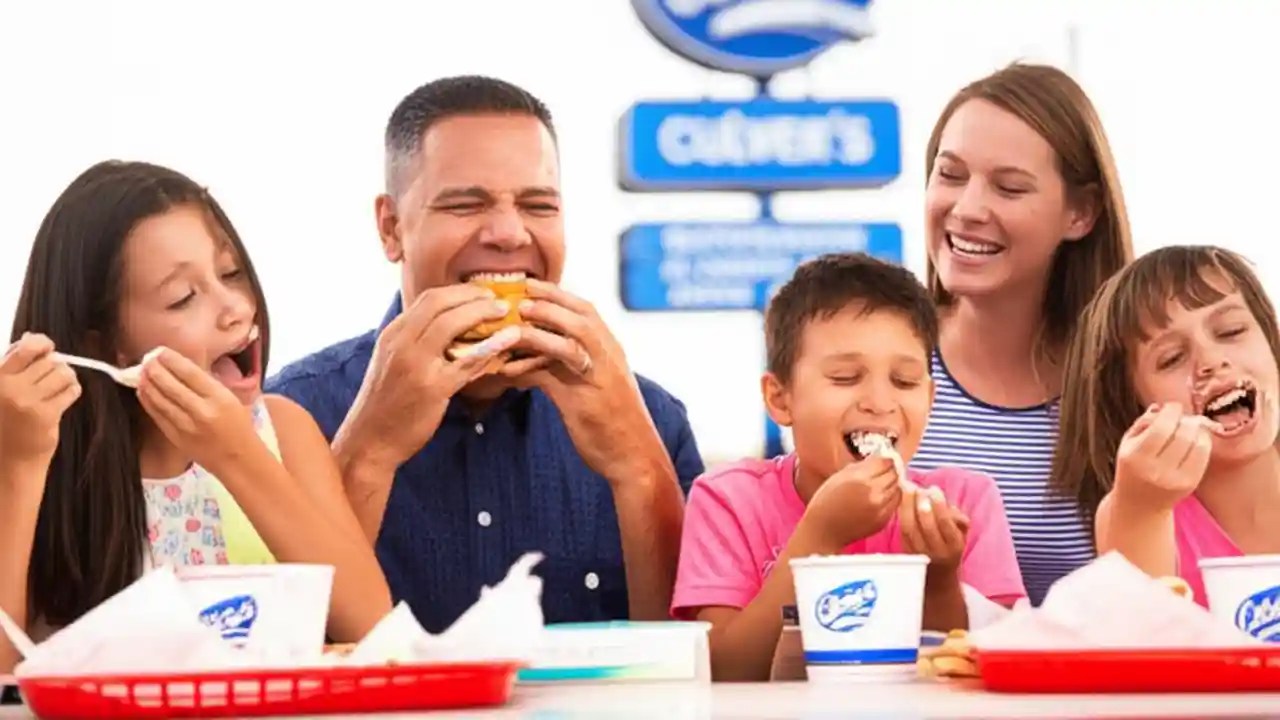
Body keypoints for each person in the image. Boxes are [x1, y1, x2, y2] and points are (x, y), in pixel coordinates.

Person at [266, 76, 703, 632]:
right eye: (465, 205)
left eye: (538, 205)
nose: (507, 233)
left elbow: (697, 665)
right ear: (390, 227)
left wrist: (639, 470)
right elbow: (275, 648)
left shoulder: (654, 418)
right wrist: (369, 448)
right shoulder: (291, 414)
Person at [0, 161, 391, 672]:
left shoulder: (283, 434)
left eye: (232, 274)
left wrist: (235, 454)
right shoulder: (32, 450)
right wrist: (19, 466)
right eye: (183, 297)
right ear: (105, 346)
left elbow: (376, 629)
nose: (235, 309)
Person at [671, 253, 1025, 682]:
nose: (879, 401)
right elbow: (725, 672)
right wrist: (820, 536)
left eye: (904, 381)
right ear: (780, 399)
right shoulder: (727, 500)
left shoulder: (966, 503)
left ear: (930, 400)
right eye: (844, 377)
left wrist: (940, 577)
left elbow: (974, 670)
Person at [908, 62, 1135, 604]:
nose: (966, 209)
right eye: (951, 175)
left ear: (1080, 213)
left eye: (1009, 188)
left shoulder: (1131, 382)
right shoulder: (884, 368)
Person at [1053, 245, 1280, 607]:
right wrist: (1141, 505)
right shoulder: (1138, 510)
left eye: (1231, 331)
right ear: (1134, 405)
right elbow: (1148, 637)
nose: (1210, 361)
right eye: (1172, 358)